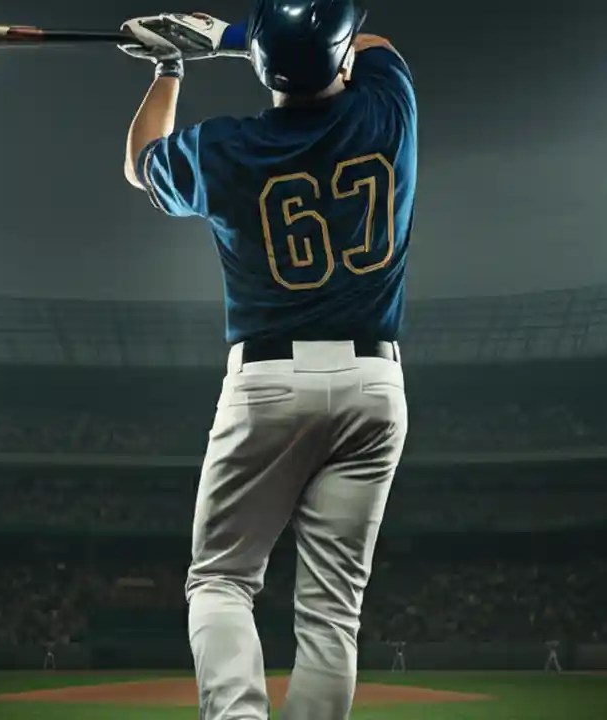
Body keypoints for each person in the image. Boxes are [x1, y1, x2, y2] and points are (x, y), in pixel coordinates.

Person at [119, 2, 417, 718]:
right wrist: (227, 35)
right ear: (339, 58)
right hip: (376, 384)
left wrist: (172, 65)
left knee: (221, 580)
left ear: (266, 69)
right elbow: (372, 44)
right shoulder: (390, 110)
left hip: (268, 383)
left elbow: (138, 163)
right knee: (332, 611)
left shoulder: (228, 149)